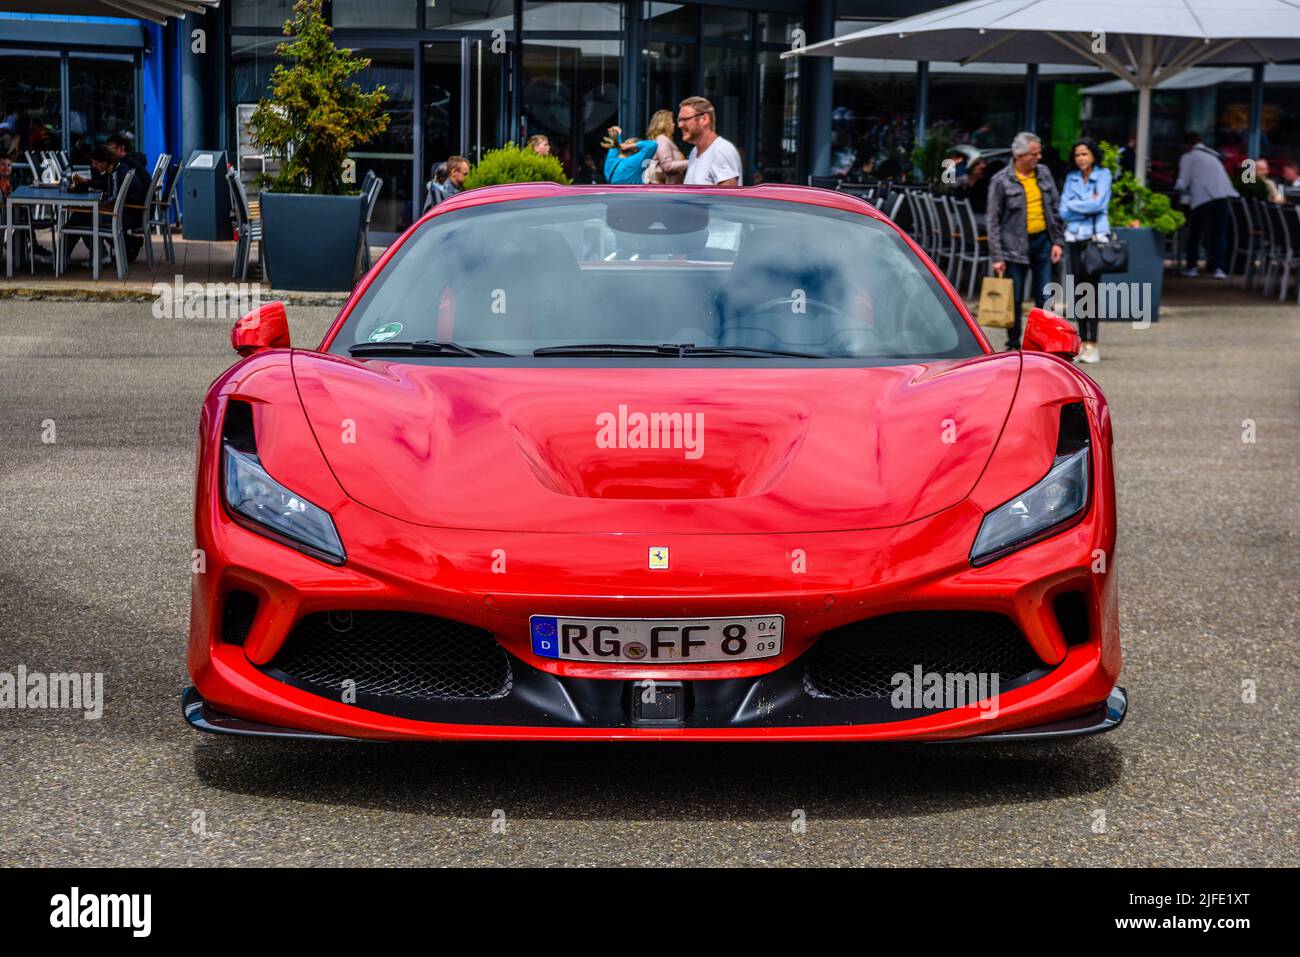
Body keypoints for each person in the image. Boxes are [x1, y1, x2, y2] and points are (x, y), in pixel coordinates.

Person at [986, 131, 1065, 351]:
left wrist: (1058, 241)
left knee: (1045, 297)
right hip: (1013, 247)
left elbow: (1055, 210)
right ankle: (1013, 344)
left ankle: (1042, 345)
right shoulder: (1001, 180)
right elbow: (993, 220)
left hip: (1043, 242)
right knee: (1015, 299)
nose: (1039, 157)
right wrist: (997, 255)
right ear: (1019, 155)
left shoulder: (1044, 174)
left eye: (1039, 152)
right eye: (1034, 153)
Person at [1058, 138, 1112, 365]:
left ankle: (1094, 343)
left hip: (1094, 238)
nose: (1081, 158)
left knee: (1093, 290)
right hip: (1074, 237)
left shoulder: (1104, 175)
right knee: (1080, 290)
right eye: (1078, 155)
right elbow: (1062, 210)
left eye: (1085, 154)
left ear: (1093, 156)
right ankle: (1082, 343)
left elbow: (1099, 206)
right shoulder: (1071, 178)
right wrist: (1085, 204)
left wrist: (1075, 205)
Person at [65, 144, 147, 266]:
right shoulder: (117, 169)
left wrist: (96, 200)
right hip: (127, 213)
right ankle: (100, 254)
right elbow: (107, 188)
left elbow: (113, 198)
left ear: (105, 161)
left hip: (125, 215)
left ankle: (64, 255)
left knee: (81, 218)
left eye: (96, 163)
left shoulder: (117, 173)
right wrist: (89, 186)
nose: (94, 166)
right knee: (81, 215)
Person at [1174, 132, 1237, 279]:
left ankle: (1192, 267)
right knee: (1220, 233)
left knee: (1195, 233)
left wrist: (1174, 188)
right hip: (1223, 195)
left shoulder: (1189, 157)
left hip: (1203, 198)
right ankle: (1219, 269)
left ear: (1187, 145)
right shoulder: (1213, 155)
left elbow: (1182, 182)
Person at [677, 96, 741, 186]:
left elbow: (729, 198)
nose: (679, 125)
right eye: (679, 120)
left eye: (684, 119)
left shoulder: (721, 151)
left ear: (704, 119)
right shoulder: (694, 152)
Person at [644, 109, 687, 184]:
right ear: (664, 124)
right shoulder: (662, 140)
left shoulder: (661, 140)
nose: (674, 124)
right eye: (672, 122)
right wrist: (690, 162)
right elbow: (667, 166)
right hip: (665, 188)